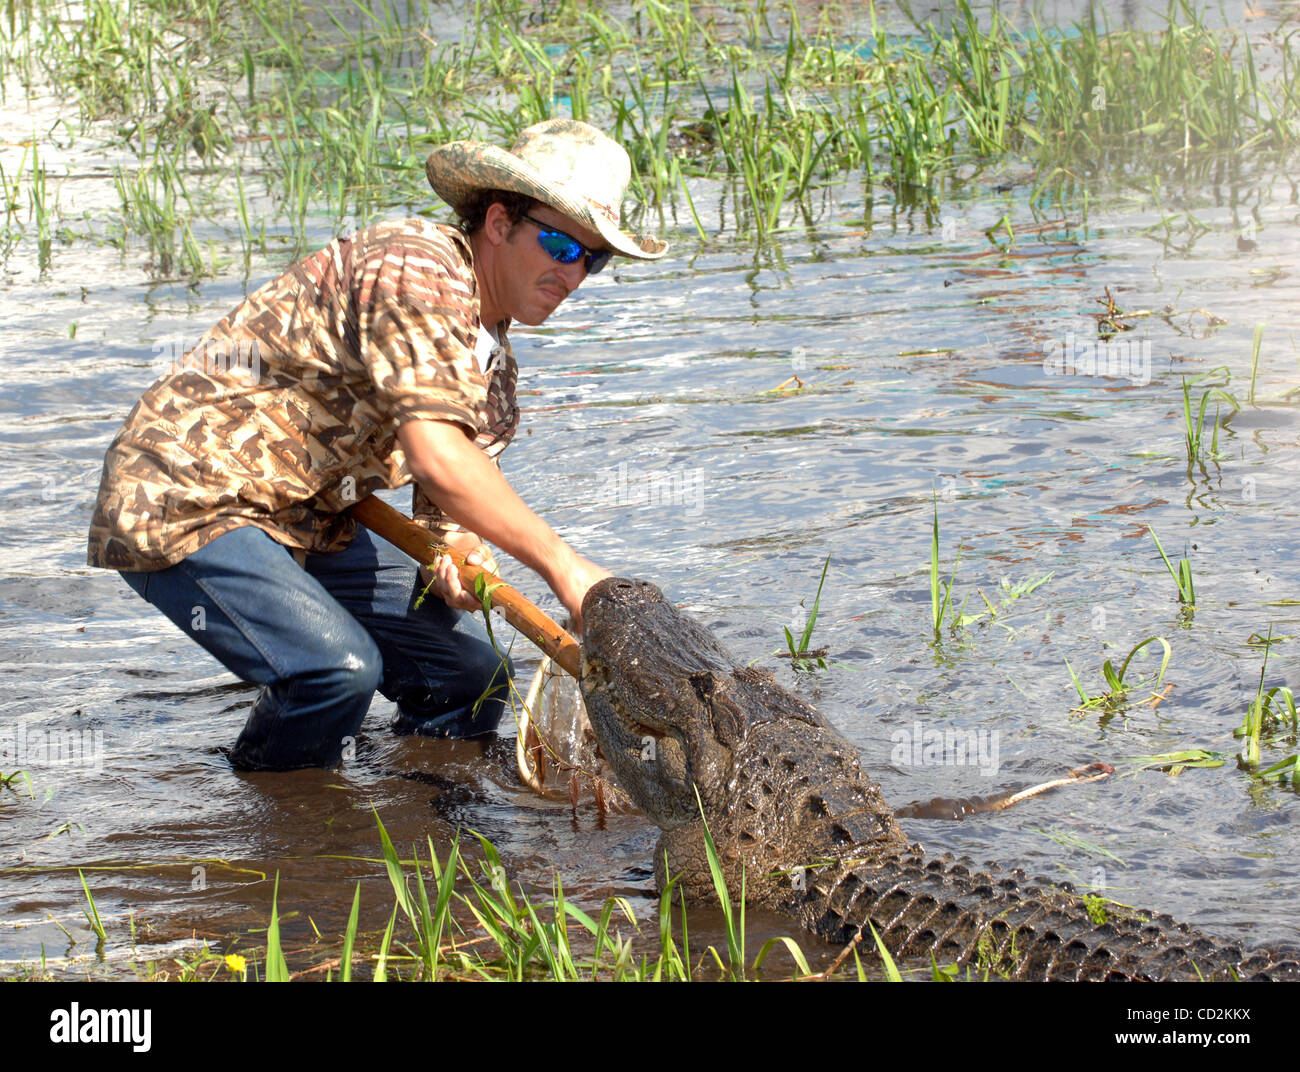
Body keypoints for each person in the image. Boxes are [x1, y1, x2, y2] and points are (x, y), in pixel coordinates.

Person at [86, 119, 668, 771]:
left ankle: (423, 815)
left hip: (313, 516)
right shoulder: (414, 264)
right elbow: (435, 456)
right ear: (499, 223)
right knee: (333, 671)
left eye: (594, 258)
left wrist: (459, 562)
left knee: (471, 678)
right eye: (561, 244)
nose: (573, 274)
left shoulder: (496, 383)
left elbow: (445, 516)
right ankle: (283, 835)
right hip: (187, 492)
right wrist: (568, 569)